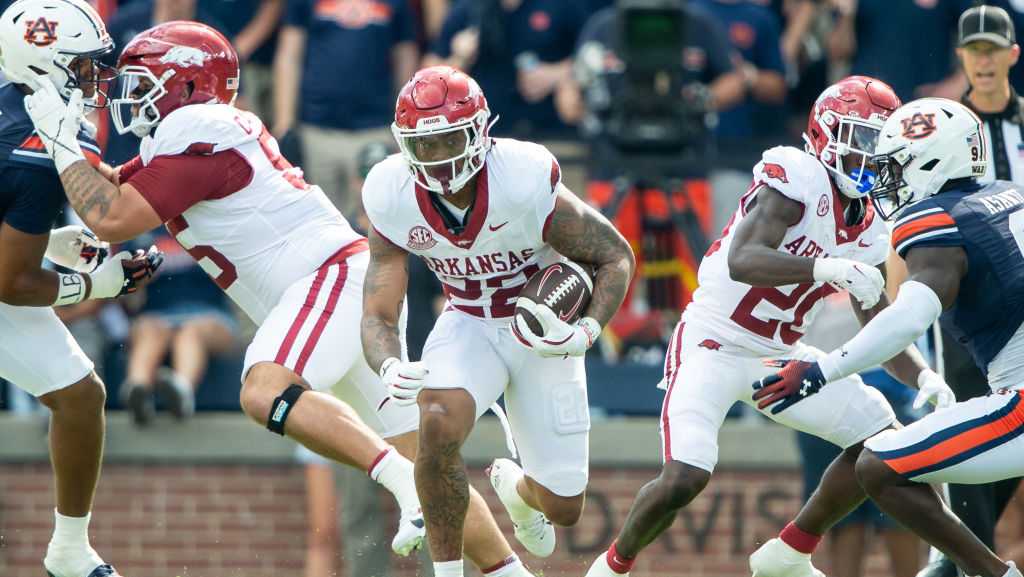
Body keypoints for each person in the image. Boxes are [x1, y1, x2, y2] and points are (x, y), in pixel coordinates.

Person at [21, 18, 532, 575]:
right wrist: (65, 167)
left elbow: (112, 217)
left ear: (187, 86)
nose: (128, 98)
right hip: (337, 285)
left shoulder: (199, 128)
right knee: (426, 460)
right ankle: (509, 570)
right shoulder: (191, 137)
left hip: (327, 279)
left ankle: (403, 488)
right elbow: (112, 191)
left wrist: (59, 138)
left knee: (264, 390)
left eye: (142, 84)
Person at [583, 76, 954, 577]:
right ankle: (611, 565)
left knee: (882, 441)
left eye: (878, 140)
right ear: (825, 135)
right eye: (860, 139)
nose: (869, 155)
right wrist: (825, 267)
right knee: (684, 478)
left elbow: (880, 328)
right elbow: (744, 258)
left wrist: (924, 376)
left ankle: (792, 550)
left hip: (776, 354)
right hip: (712, 342)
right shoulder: (797, 176)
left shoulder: (871, 224)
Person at [361, 66, 635, 577]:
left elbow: (615, 257)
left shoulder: (521, 176)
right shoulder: (390, 191)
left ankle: (522, 491)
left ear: (480, 133)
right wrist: (387, 362)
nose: (439, 159)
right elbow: (378, 308)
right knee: (436, 422)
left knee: (565, 508)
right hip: (468, 320)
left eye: (448, 141)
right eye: (425, 146)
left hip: (541, 327)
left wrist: (586, 331)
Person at [756, 96, 1024, 577]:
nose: (887, 182)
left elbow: (907, 318)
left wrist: (822, 370)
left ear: (933, 162)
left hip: (1020, 402)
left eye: (897, 167)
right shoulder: (1008, 194)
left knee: (879, 465)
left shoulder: (939, 220)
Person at [0, 1, 165, 576]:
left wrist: (47, 243)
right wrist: (95, 282)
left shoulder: (22, 112)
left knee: (78, 394)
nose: (99, 81)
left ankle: (69, 551)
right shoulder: (34, 150)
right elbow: (11, 282)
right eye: (86, 67)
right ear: (45, 68)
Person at [918, 7, 1024, 577]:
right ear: (961, 56)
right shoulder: (942, 126)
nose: (983, 60)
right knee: (966, 417)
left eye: (993, 49)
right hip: (963, 302)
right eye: (973, 50)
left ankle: (958, 557)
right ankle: (965, 559)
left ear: (1012, 53)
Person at [119, 228, 237, 426]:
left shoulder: (207, 226)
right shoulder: (139, 235)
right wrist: (138, 281)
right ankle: (138, 390)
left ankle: (182, 394)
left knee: (191, 331)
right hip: (157, 315)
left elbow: (236, 281)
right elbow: (129, 302)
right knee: (150, 329)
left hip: (210, 313)